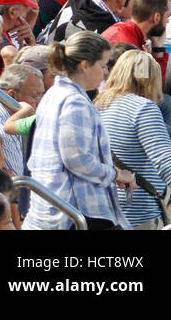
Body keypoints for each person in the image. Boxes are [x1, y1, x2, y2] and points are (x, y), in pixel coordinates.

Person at [23, 31, 135, 229]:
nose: (106, 72)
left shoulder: (55, 94)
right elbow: (77, 159)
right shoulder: (75, 102)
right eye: (102, 65)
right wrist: (115, 175)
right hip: (74, 212)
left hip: (57, 208)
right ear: (84, 65)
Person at [98, 49, 171, 228]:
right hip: (141, 212)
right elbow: (166, 162)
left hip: (109, 208)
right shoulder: (143, 108)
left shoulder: (99, 104)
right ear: (152, 80)